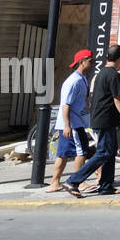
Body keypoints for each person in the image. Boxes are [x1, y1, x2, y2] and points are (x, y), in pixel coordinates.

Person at [64, 45, 120, 197]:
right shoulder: (114, 75)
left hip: (103, 119)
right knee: (103, 152)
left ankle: (106, 186)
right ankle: (73, 181)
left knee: (110, 152)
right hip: (105, 120)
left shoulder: (101, 74)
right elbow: (118, 99)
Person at [47, 49, 94, 192]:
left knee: (63, 154)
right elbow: (65, 105)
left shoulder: (82, 79)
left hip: (75, 122)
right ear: (82, 62)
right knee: (81, 151)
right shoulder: (73, 82)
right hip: (73, 124)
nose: (92, 64)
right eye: (90, 61)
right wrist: (67, 125)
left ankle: (54, 183)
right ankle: (79, 182)